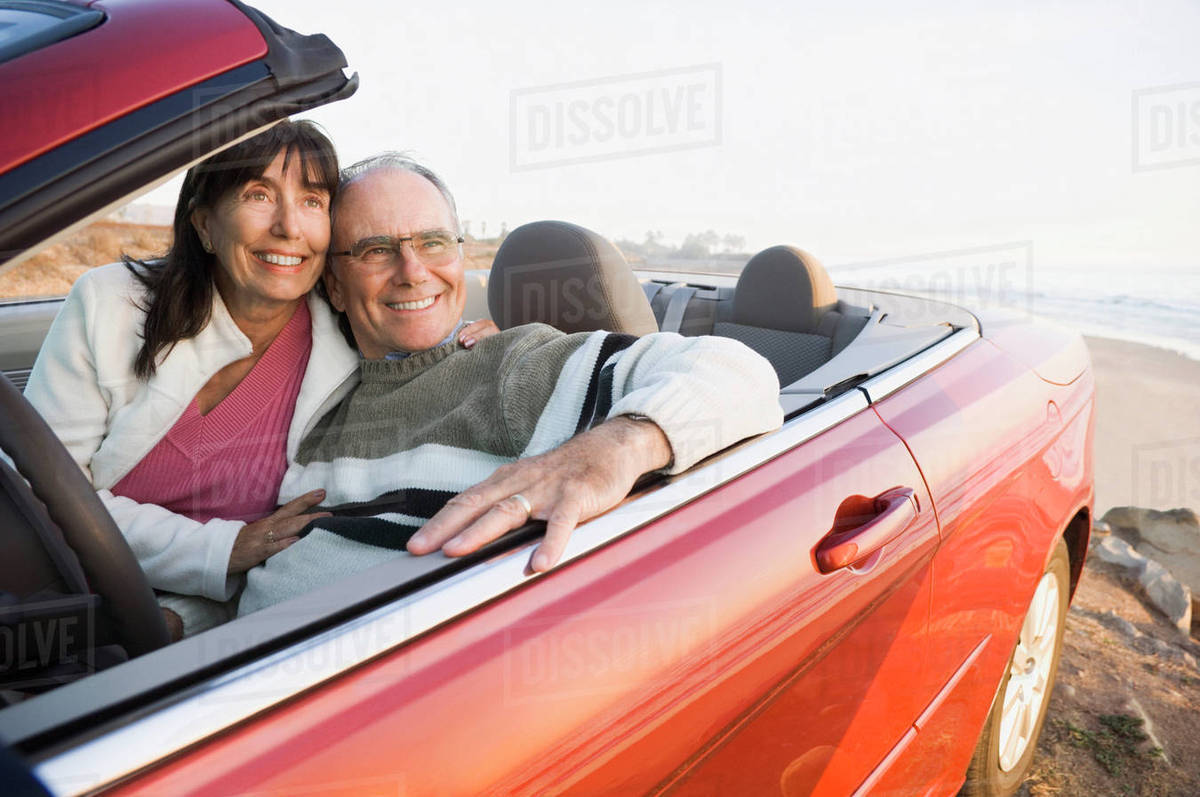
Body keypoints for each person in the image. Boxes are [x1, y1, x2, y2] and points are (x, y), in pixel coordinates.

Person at [237, 154, 784, 614]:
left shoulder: (512, 365)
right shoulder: (316, 403)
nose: (412, 270)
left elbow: (739, 373)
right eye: (377, 250)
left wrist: (613, 448)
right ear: (333, 284)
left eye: (432, 243)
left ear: (458, 254)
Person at [23, 123, 496, 637]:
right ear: (204, 224)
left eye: (312, 201)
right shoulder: (110, 305)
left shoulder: (350, 331)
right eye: (258, 194)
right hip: (51, 584)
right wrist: (224, 549)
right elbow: (41, 496)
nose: (289, 227)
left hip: (205, 625)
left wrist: (474, 339)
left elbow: (420, 319)